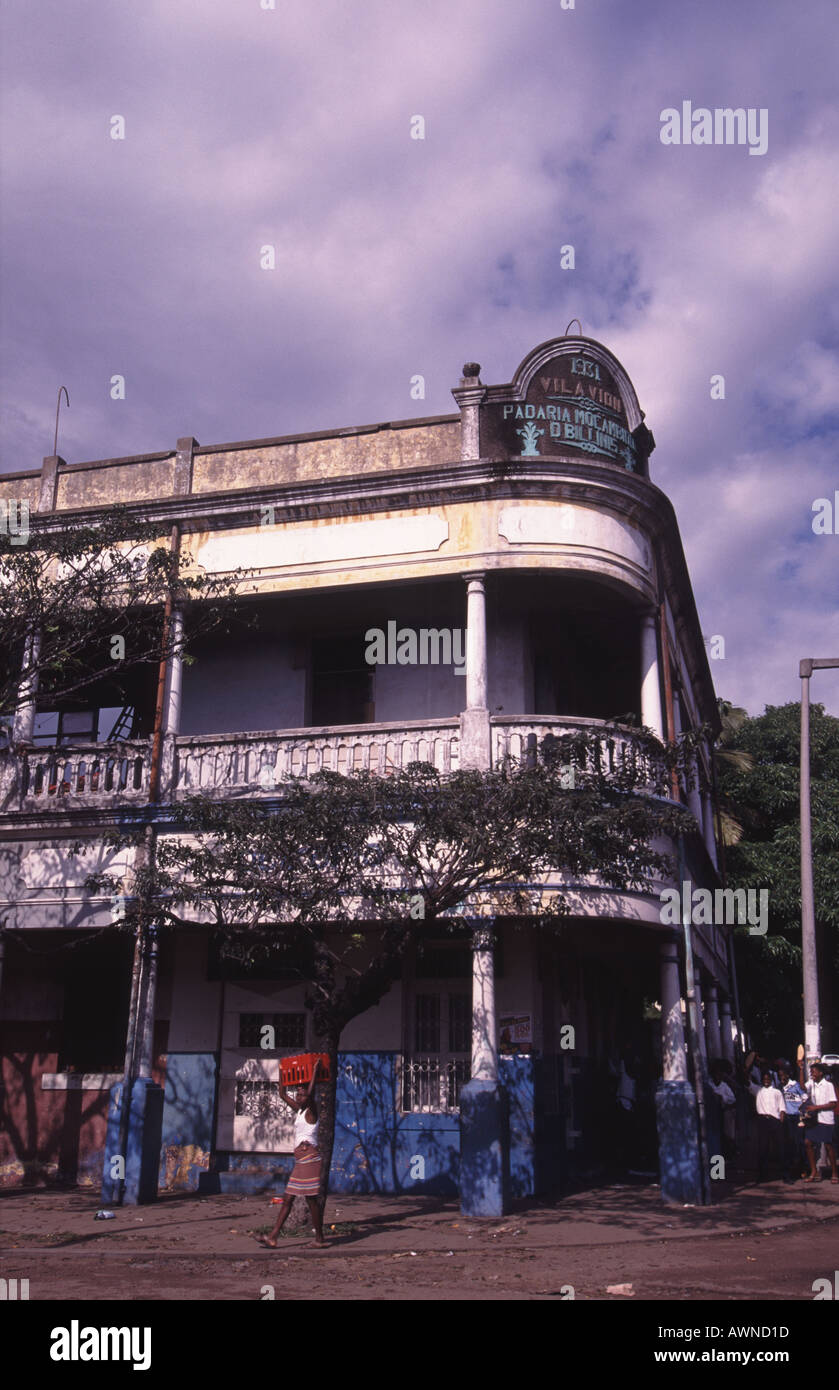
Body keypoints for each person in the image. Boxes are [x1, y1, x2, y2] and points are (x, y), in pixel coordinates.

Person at [257, 1059, 326, 1247]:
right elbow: (281, 1093)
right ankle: (273, 1236)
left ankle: (319, 1239)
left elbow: (311, 1094)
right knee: (288, 1197)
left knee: (310, 1199)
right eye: (298, 1093)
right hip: (301, 1159)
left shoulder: (312, 1111)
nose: (298, 1096)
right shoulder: (300, 1112)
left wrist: (314, 1072)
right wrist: (281, 1072)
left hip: (310, 1157)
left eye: (302, 1095)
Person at [798, 1058, 838, 1184]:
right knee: (808, 1142)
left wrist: (816, 1107)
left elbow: (833, 1104)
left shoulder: (828, 1085)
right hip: (814, 1120)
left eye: (814, 1072)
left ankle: (834, 1173)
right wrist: (800, 1070)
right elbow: (802, 1087)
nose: (812, 1074)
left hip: (826, 1120)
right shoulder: (812, 1083)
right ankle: (813, 1171)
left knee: (828, 1146)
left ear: (821, 1073)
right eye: (811, 1072)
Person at [749, 1069, 785, 1182]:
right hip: (762, 1121)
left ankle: (785, 1175)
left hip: (775, 1120)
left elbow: (782, 1108)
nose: (766, 1081)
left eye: (768, 1079)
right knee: (762, 1148)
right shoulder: (758, 1090)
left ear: (771, 1080)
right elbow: (746, 1081)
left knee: (780, 1148)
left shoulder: (777, 1092)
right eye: (764, 1079)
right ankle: (762, 1176)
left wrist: (780, 1122)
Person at [777, 1064, 807, 1182]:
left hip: (797, 1118)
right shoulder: (779, 1087)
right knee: (788, 1145)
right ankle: (787, 1173)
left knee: (799, 1144)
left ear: (788, 1075)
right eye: (779, 1076)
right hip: (787, 1119)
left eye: (783, 1075)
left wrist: (801, 1112)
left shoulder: (795, 1086)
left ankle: (802, 1169)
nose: (781, 1077)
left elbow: (804, 1098)